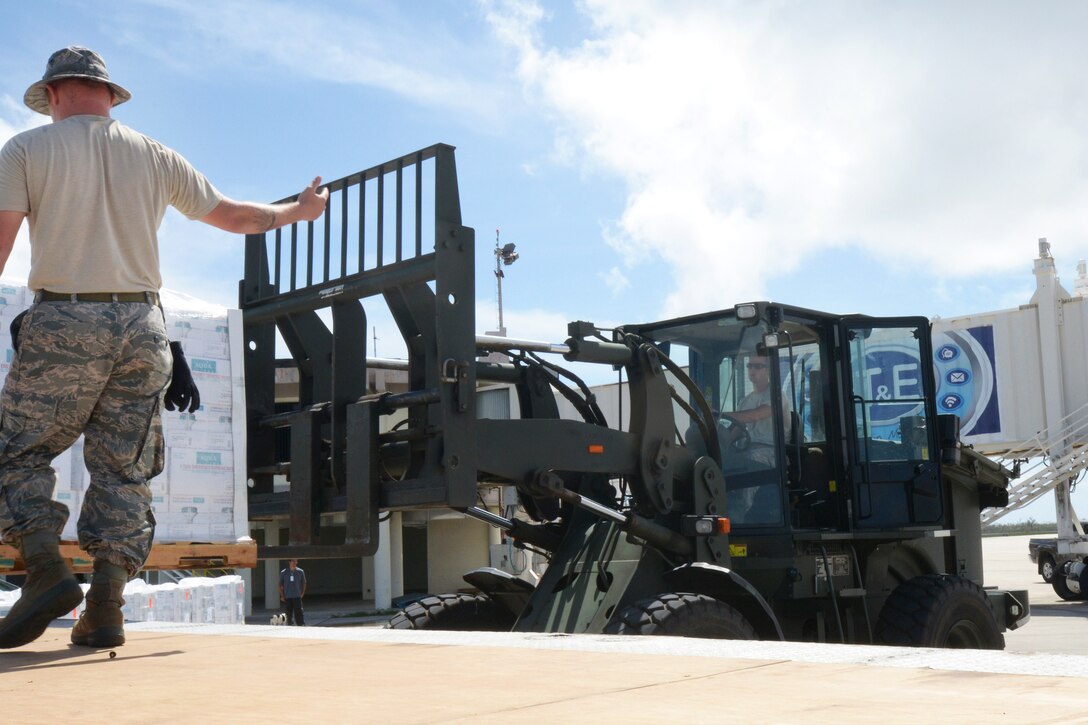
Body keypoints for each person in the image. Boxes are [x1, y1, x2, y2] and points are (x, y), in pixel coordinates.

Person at [0, 46, 328, 649]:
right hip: (146, 327)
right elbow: (237, 218)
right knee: (124, 471)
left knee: (14, 453)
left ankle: (46, 572)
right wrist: (300, 212)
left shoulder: (26, 149)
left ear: (52, 94)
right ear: (109, 96)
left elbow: (0, 240)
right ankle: (105, 608)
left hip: (66, 317)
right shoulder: (155, 154)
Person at [278, 559, 307, 626]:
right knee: (288, 613)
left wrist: (302, 593)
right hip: (287, 596)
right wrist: (282, 595)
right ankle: (290, 625)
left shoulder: (300, 571)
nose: (294, 563)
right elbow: (279, 585)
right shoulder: (284, 572)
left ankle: (301, 625)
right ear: (289, 562)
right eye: (292, 561)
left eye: (295, 561)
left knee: (299, 612)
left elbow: (304, 583)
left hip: (297, 596)